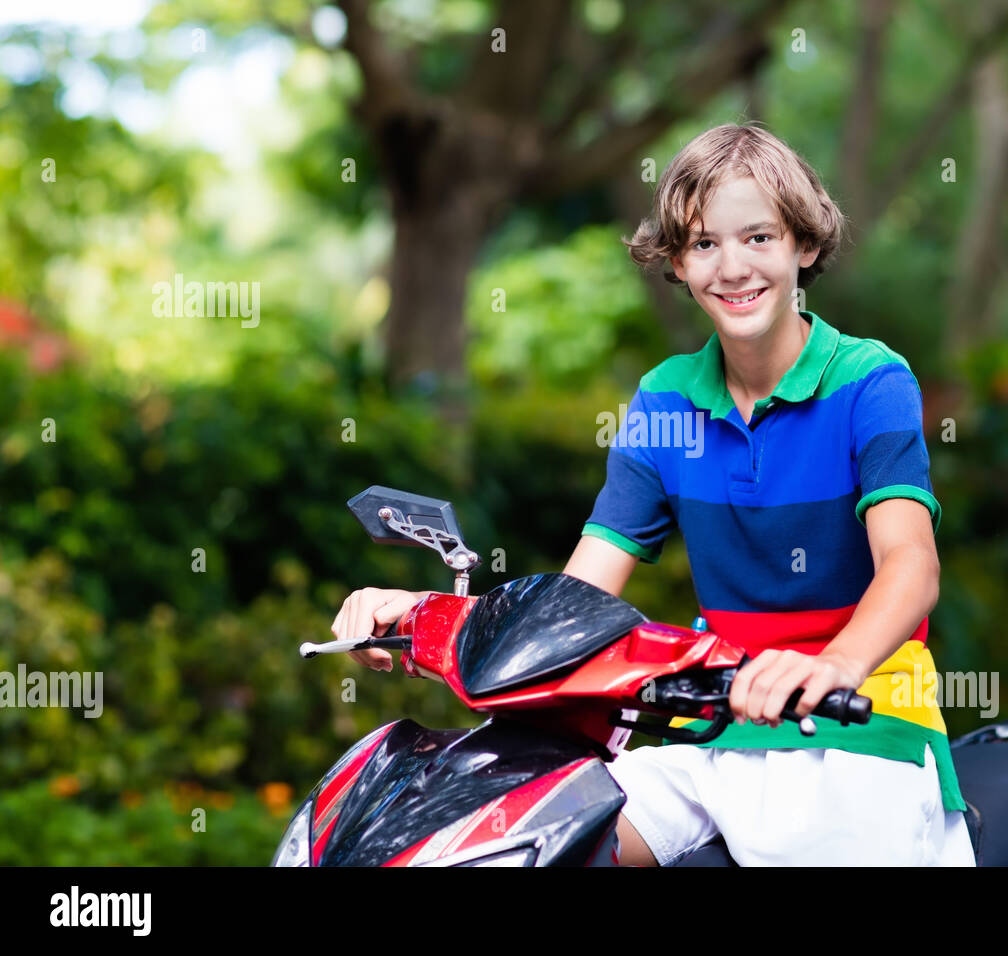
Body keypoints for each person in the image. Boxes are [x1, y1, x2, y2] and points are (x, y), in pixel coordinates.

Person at [332, 122, 975, 867]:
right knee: (532, 840)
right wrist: (419, 616)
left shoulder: (871, 381)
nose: (732, 266)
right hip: (709, 732)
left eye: (758, 237)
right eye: (704, 244)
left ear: (804, 245)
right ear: (676, 261)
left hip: (864, 730)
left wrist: (832, 666)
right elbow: (573, 605)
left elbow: (911, 565)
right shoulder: (665, 401)